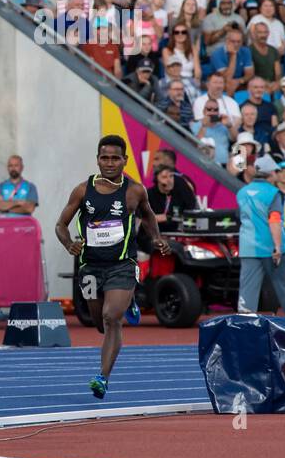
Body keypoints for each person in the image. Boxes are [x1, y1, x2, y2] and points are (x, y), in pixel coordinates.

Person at [56, 136, 169, 399]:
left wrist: (157, 238)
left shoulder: (135, 191)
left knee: (111, 318)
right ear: (97, 159)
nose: (109, 163)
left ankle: (102, 377)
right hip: (91, 267)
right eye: (104, 158)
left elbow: (149, 215)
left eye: (115, 158)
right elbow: (60, 224)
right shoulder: (83, 190)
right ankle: (126, 304)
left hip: (122, 264)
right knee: (98, 323)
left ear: (124, 160)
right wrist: (68, 244)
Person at [236, 156, 285, 316]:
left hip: (248, 248)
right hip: (270, 247)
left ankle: (244, 325)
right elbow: (274, 220)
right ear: (270, 173)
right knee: (284, 286)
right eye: (275, 171)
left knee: (247, 289)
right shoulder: (273, 193)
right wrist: (277, 246)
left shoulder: (242, 192)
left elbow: (239, 215)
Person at [147, 165, 198, 232]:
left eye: (171, 176)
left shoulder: (180, 194)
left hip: (176, 235)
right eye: (164, 177)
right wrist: (156, 218)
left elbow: (190, 215)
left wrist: (169, 217)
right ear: (156, 179)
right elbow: (141, 218)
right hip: (154, 235)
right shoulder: (148, 194)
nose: (169, 180)